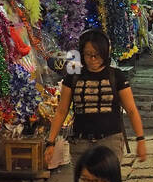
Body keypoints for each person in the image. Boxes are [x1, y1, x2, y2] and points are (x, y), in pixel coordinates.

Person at [47, 29, 147, 163]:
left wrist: (140, 139)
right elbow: (61, 111)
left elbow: (131, 110)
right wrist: (50, 142)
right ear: (82, 54)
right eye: (88, 54)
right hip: (80, 143)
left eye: (97, 55)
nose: (93, 59)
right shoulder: (73, 77)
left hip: (110, 141)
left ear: (105, 53)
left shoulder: (116, 76)